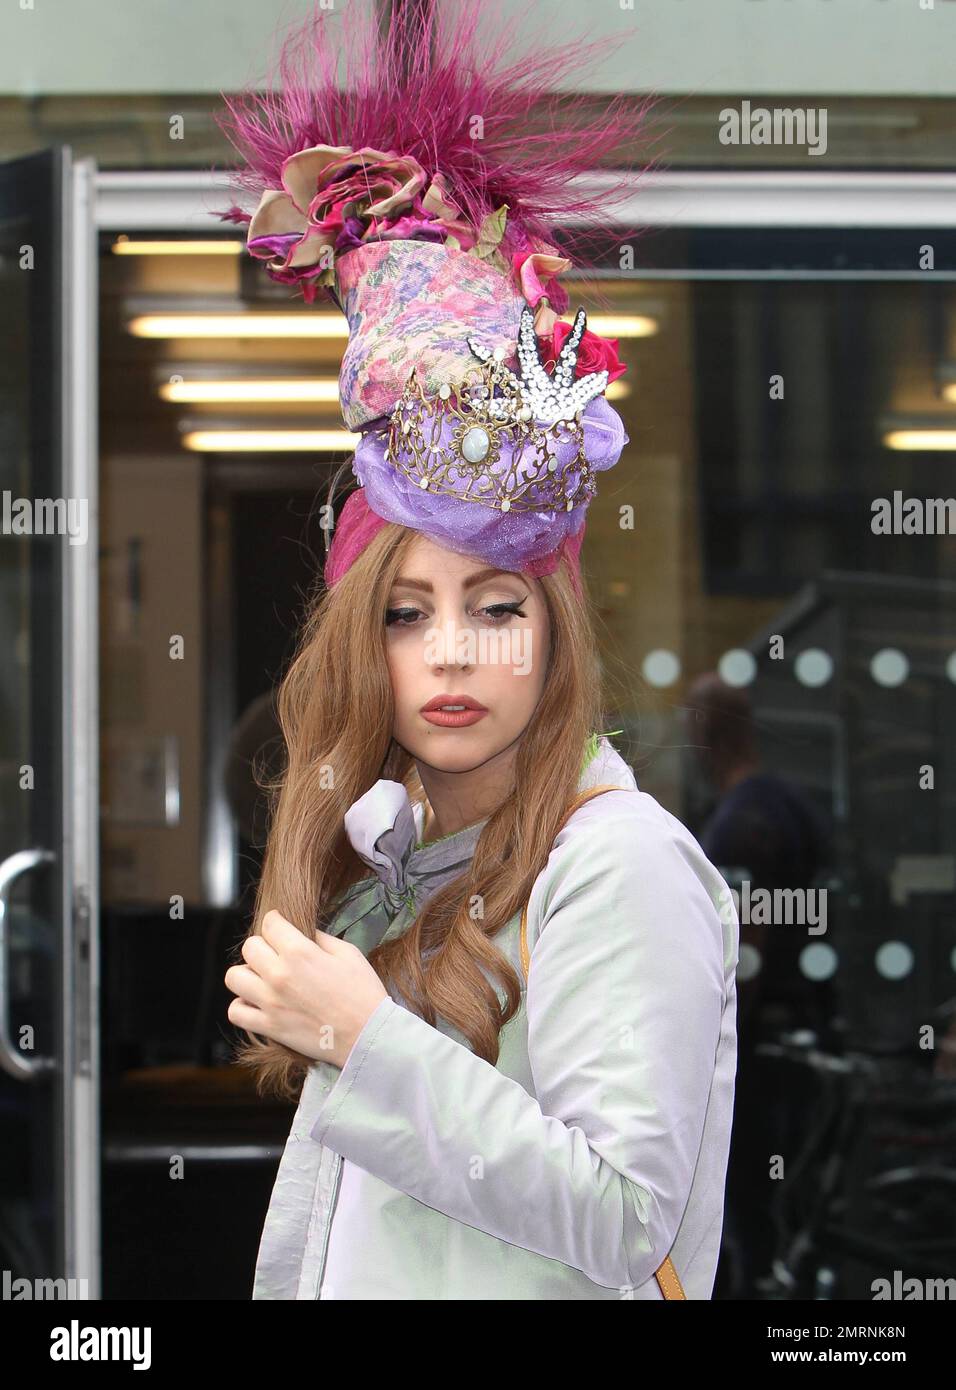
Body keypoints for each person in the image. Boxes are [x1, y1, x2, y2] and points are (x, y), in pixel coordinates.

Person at [218, 0, 738, 1300]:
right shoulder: (410, 857)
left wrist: (368, 1040)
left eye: (496, 606)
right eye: (405, 613)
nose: (449, 650)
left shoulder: (616, 861)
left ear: (553, 632)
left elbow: (630, 1217)